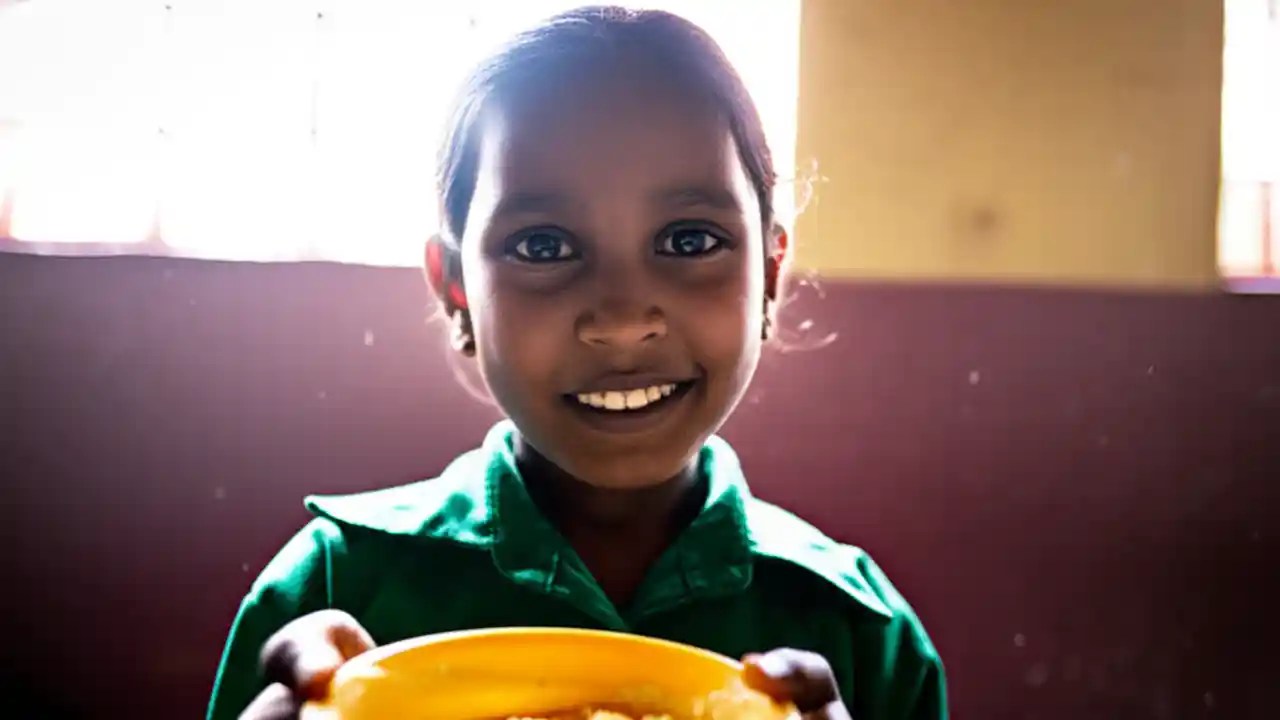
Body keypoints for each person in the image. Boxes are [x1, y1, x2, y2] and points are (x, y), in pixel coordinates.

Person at [208, 6, 946, 720]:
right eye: (543, 247)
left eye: (689, 241)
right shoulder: (333, 595)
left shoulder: (861, 634)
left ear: (771, 273)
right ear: (457, 288)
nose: (623, 322)